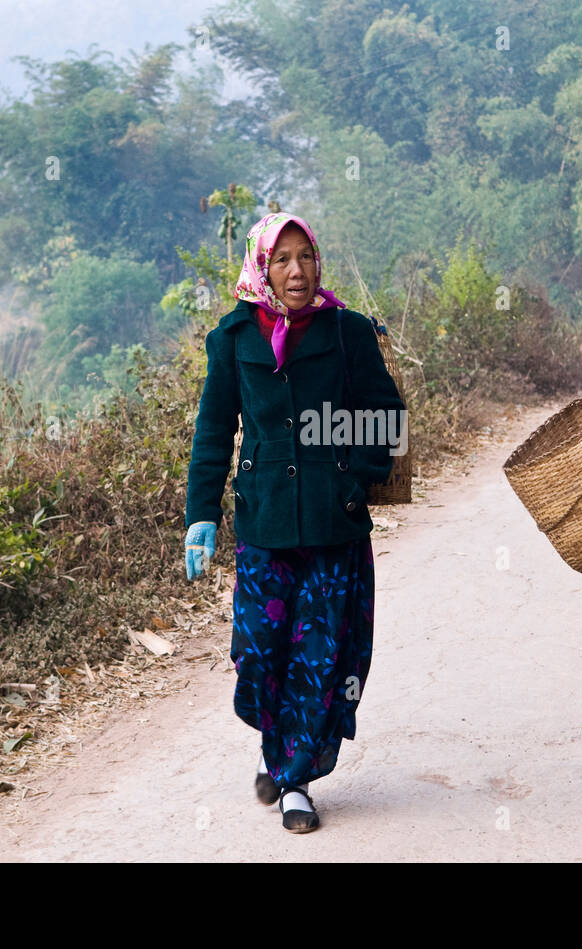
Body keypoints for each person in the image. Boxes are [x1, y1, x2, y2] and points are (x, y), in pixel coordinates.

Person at [183, 212, 405, 833]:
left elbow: (387, 418)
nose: (297, 270)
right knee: (257, 651)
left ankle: (295, 780)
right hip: (263, 522)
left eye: (305, 256)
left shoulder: (348, 332)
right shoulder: (231, 339)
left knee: (319, 652)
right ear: (261, 267)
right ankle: (272, 743)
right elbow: (213, 429)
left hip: (334, 526)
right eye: (281, 259)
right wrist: (201, 514)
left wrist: (351, 475)